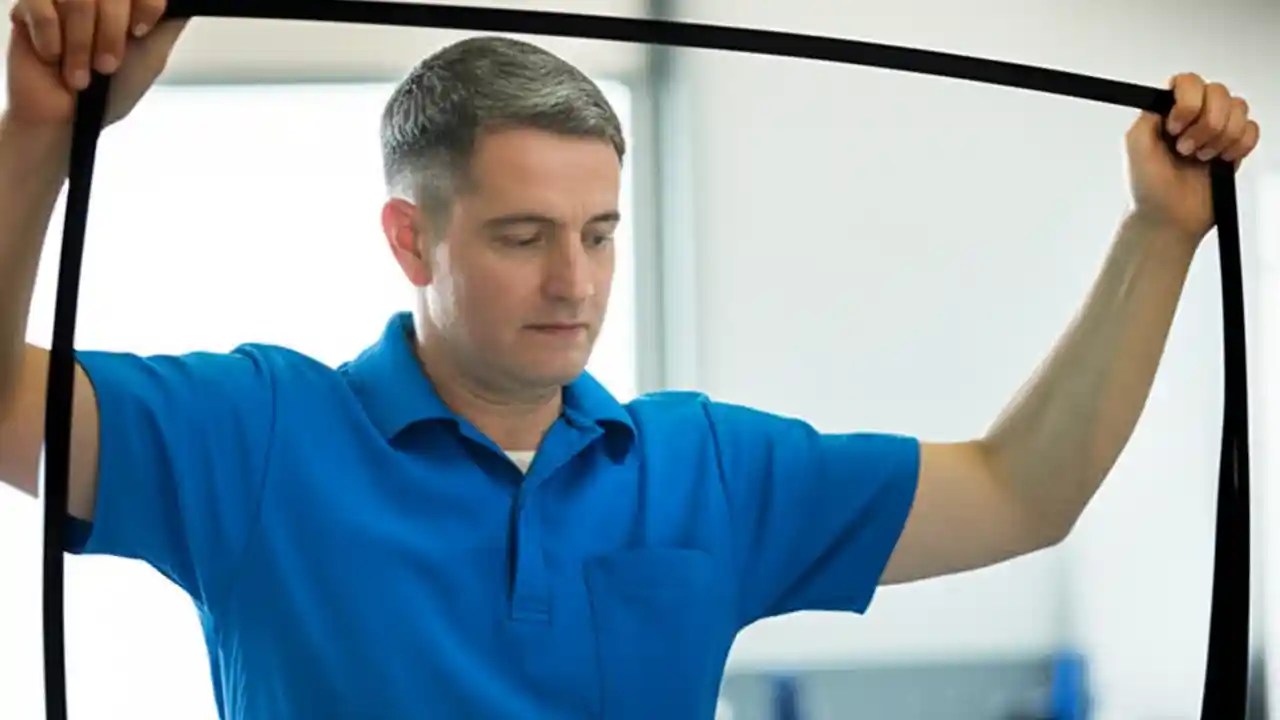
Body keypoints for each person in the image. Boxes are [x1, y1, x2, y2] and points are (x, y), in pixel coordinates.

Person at [0, 0, 1262, 717]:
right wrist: (41, 129)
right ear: (409, 237)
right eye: (521, 236)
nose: (577, 282)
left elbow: (1019, 493)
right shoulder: (258, 437)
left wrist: (1158, 234)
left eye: (600, 233)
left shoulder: (702, 469)